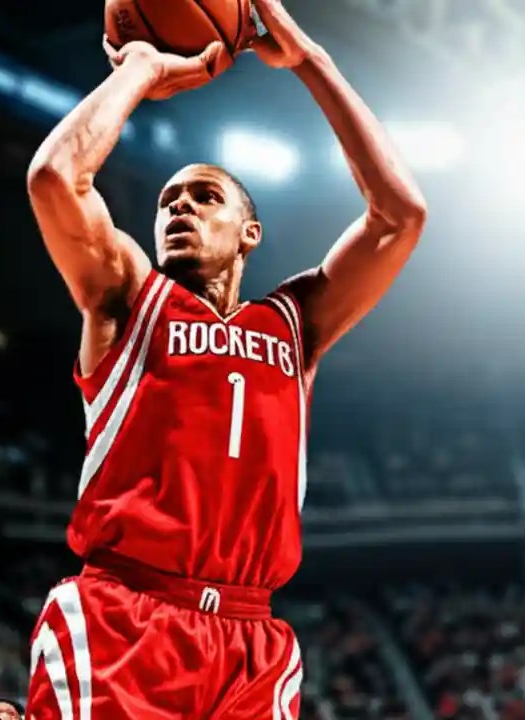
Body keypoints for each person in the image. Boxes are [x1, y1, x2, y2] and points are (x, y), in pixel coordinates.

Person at [23, 0, 427, 716]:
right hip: (125, 618)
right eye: (167, 202)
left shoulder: (295, 324)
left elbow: (401, 216)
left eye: (204, 197)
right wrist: (140, 69)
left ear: (249, 233)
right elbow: (55, 178)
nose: (178, 208)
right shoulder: (127, 296)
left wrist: (311, 62)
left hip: (252, 641)